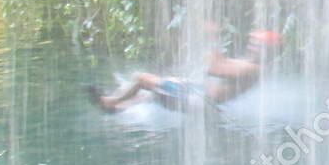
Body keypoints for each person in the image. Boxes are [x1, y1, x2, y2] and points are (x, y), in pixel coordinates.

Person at [89, 30, 281, 113]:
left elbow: (214, 68)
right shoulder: (251, 65)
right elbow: (220, 66)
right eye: (252, 42)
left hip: (197, 100)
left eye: (257, 44)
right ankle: (118, 107)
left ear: (266, 50)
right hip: (198, 94)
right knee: (153, 92)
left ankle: (110, 102)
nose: (251, 45)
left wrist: (211, 38)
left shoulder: (252, 69)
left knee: (142, 79)